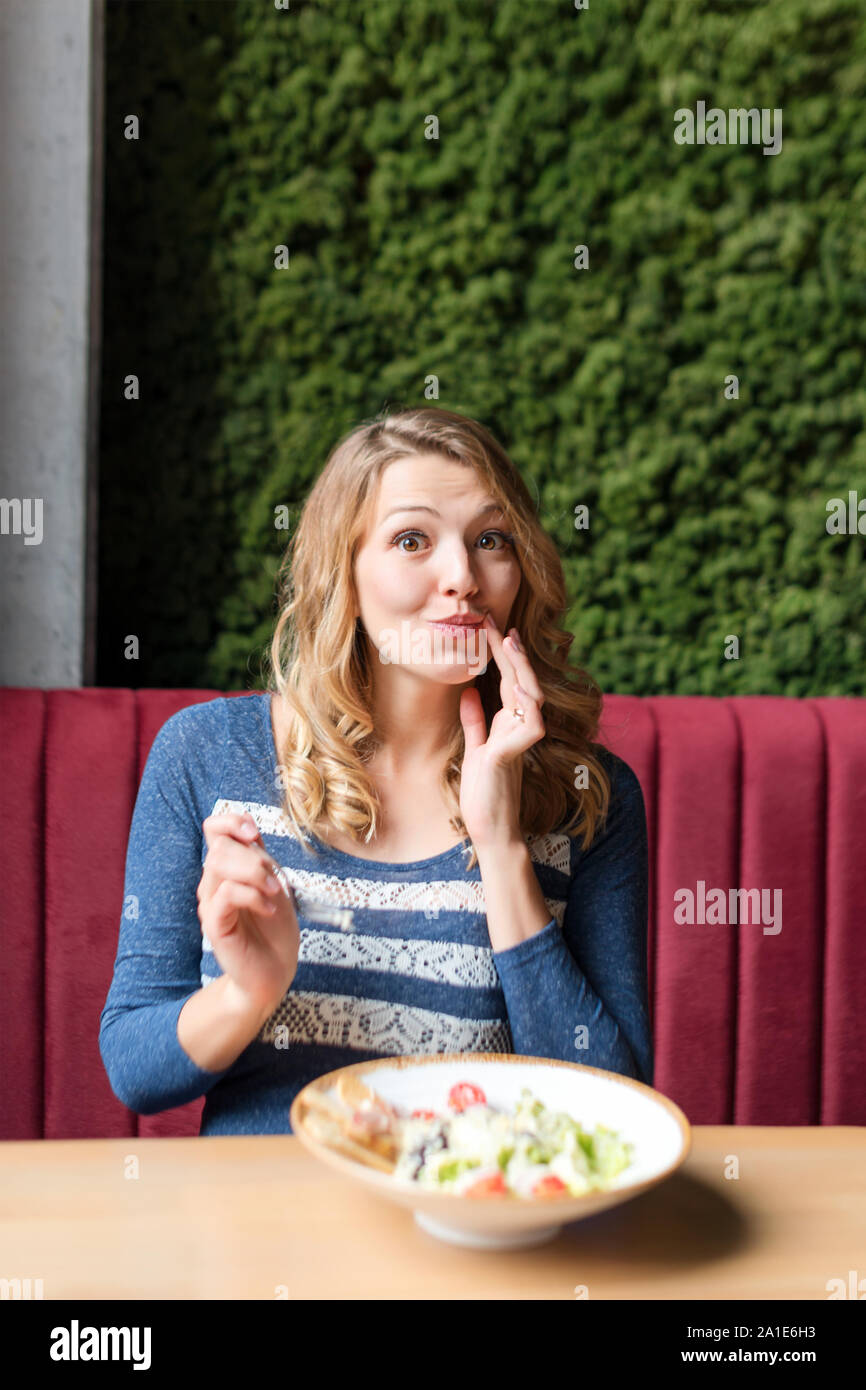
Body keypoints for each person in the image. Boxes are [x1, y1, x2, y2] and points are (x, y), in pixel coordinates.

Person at [99, 406, 653, 1135]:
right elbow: (134, 1070)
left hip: (472, 1224)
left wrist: (503, 852)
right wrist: (249, 992)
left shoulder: (590, 799)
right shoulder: (204, 754)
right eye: (411, 540)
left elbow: (612, 1106)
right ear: (344, 575)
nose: (462, 576)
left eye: (490, 539)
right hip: (260, 1226)